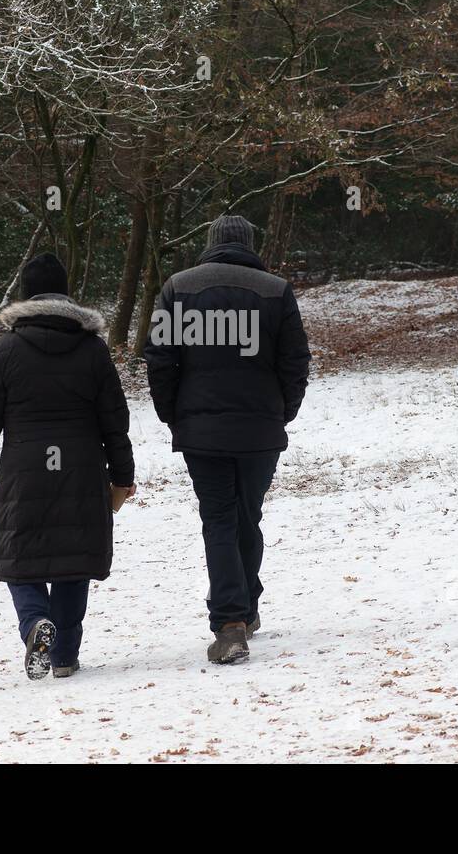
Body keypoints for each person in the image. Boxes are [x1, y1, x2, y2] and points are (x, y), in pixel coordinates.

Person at [143, 215, 310, 665]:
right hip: (259, 429)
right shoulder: (275, 290)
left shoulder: (178, 288)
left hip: (201, 432)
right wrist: (281, 413)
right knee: (247, 515)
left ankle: (231, 622)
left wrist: (173, 416)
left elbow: (160, 360)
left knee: (219, 519)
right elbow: (296, 362)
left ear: (210, 243)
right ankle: (244, 607)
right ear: (250, 244)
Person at [0, 253, 135, 680]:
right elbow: (115, 418)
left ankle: (34, 623)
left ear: (26, 295)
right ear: (65, 293)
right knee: (74, 558)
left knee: (20, 556)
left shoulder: (5, 350)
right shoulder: (93, 349)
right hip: (81, 465)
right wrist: (123, 474)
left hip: (24, 466)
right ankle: (63, 656)